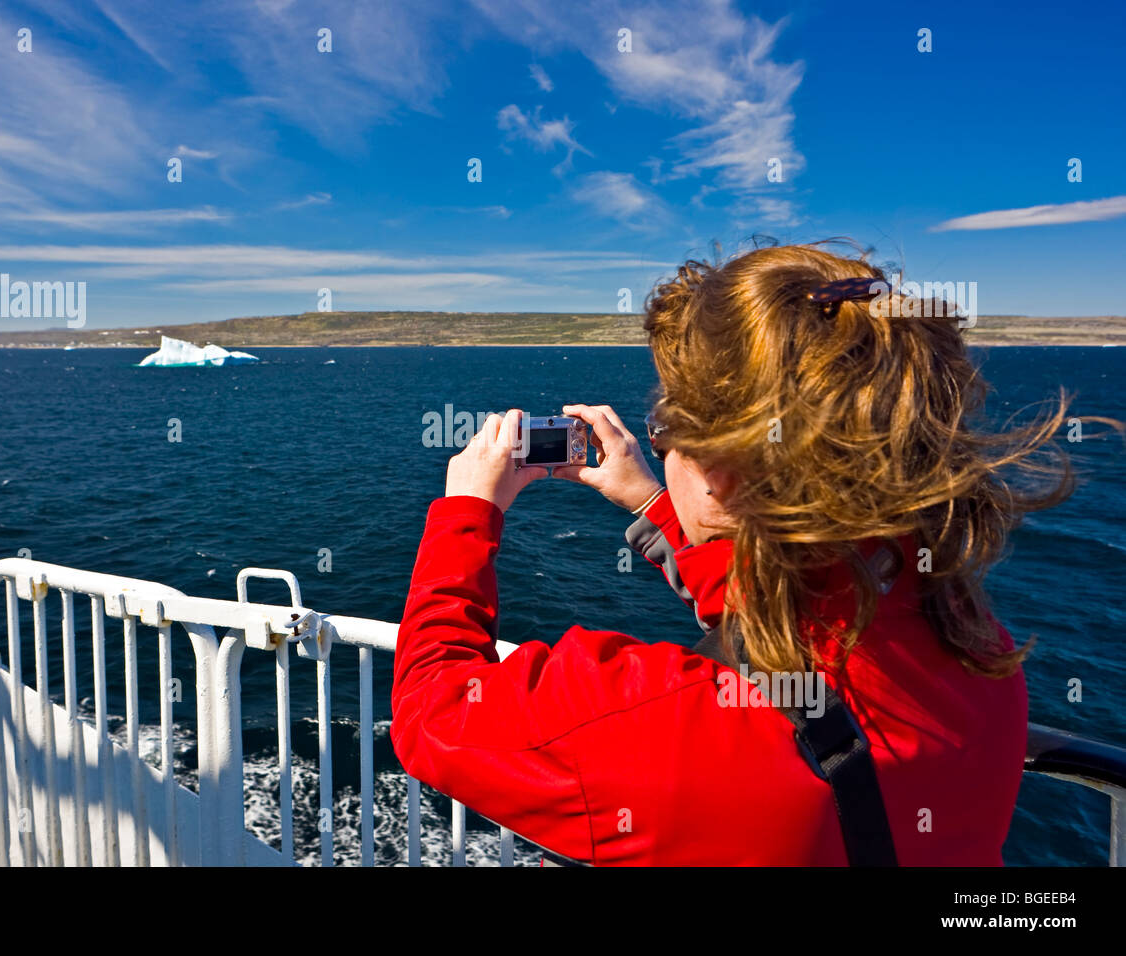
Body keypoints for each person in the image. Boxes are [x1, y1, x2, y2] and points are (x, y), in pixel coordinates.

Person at [389, 243, 1077, 866]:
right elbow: (792, 608)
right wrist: (654, 505)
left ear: (720, 469)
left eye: (663, 431)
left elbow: (432, 710)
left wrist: (465, 513)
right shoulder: (978, 651)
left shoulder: (657, 722)